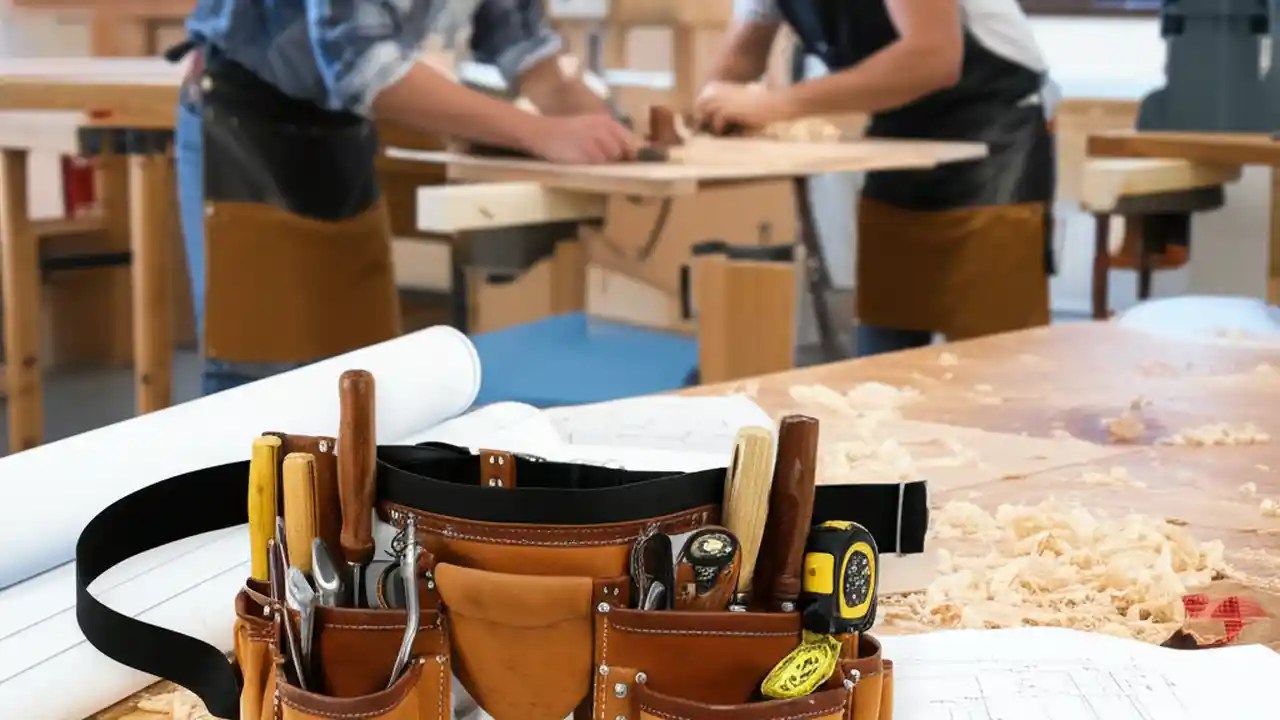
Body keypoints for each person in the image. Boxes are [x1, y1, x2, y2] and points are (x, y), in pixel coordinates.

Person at [173, 0, 638, 395]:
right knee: (261, 391)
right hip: (244, 119)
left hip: (340, 132)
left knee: (361, 386)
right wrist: (538, 133)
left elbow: (528, 48)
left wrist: (617, 139)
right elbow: (360, 62)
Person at [696, 0, 1056, 356]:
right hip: (900, 125)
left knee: (996, 358)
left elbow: (933, 55)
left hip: (994, 121)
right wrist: (711, 107)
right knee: (883, 357)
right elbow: (744, 53)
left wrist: (777, 105)